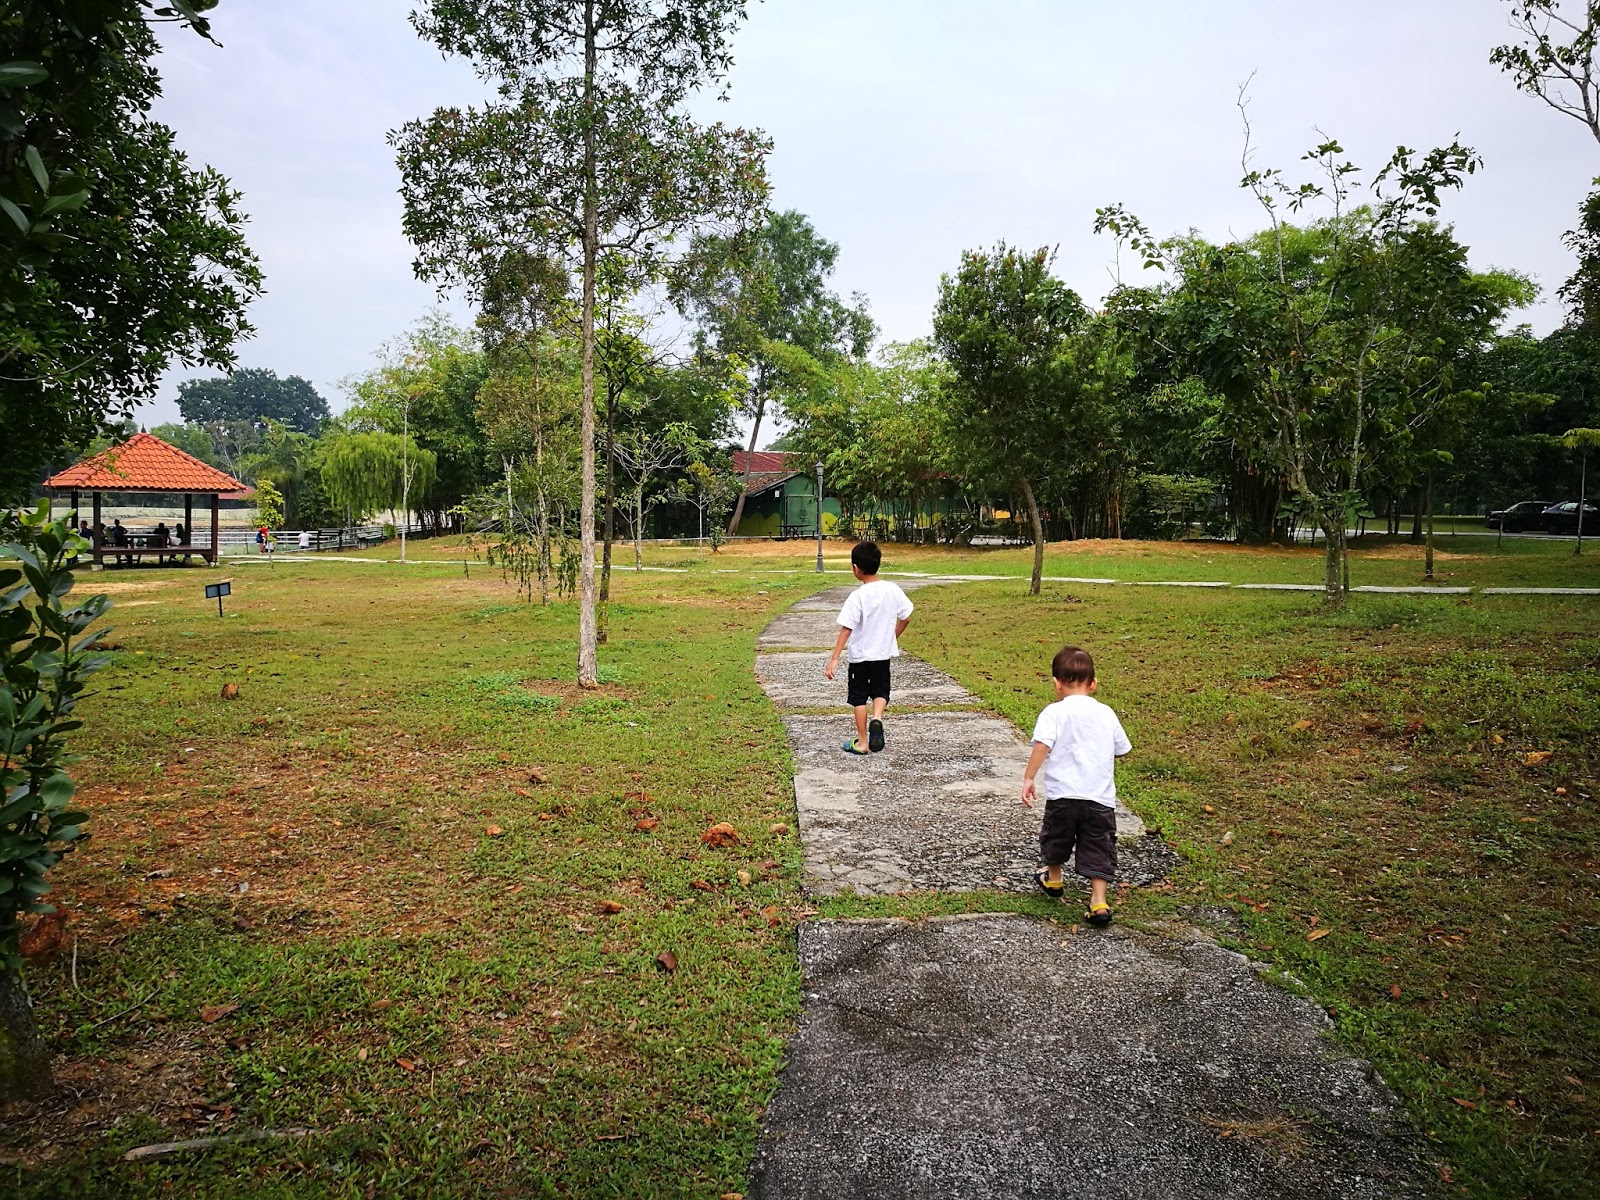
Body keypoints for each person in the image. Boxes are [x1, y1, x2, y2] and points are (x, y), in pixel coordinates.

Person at [1020, 646, 1131, 927]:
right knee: (1099, 844)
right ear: (1093, 684)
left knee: (1057, 837)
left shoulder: (1053, 712)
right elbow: (1121, 749)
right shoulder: (1106, 713)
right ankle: (1098, 901)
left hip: (1063, 795)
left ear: (1056, 684)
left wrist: (1029, 777)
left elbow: (1042, 746)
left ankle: (1054, 879)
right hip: (1099, 797)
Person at [823, 540, 913, 756]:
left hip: (860, 656)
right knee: (881, 691)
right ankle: (878, 718)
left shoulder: (857, 596)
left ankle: (863, 742)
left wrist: (834, 659)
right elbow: (906, 617)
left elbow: (846, 629)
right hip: (882, 654)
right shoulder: (892, 589)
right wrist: (892, 637)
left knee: (859, 697)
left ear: (856, 569)